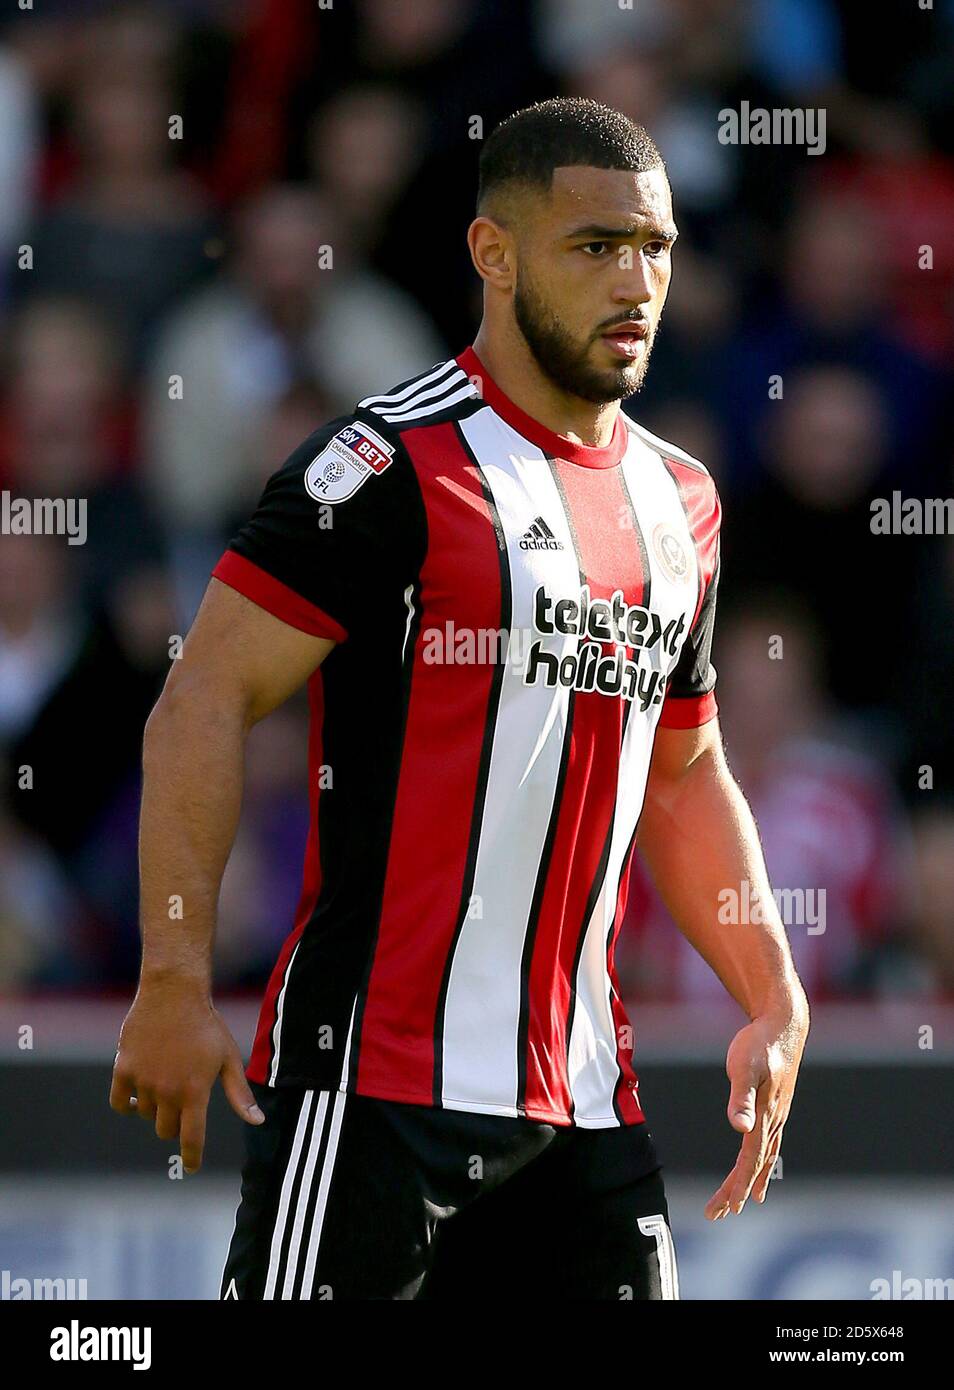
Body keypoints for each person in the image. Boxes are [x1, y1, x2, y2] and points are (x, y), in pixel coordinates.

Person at [110, 98, 809, 1301]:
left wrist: (768, 984)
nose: (635, 280)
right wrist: (171, 975)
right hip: (372, 1092)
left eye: (655, 245)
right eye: (594, 246)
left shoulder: (681, 499)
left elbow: (684, 771)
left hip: (581, 1106)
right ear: (495, 254)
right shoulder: (386, 467)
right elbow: (203, 699)